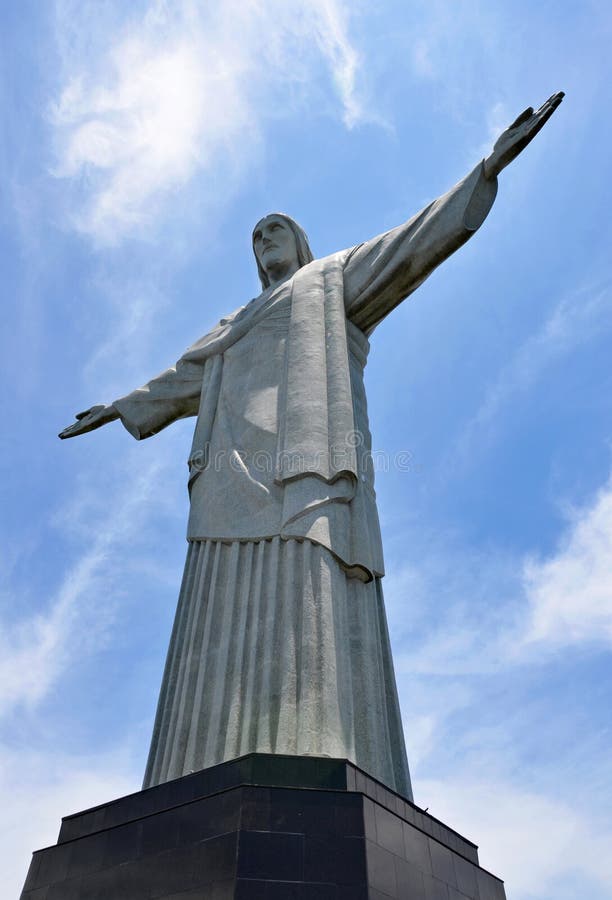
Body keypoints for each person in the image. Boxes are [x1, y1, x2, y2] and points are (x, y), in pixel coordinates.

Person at [60, 93, 564, 797]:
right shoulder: (229, 328)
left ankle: (314, 742)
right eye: (255, 235)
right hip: (228, 480)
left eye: (276, 229)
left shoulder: (331, 282)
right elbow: (179, 382)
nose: (264, 237)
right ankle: (199, 765)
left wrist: (484, 170)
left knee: (307, 586)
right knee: (215, 605)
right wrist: (119, 407)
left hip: (305, 468)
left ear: (300, 243)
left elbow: (411, 244)